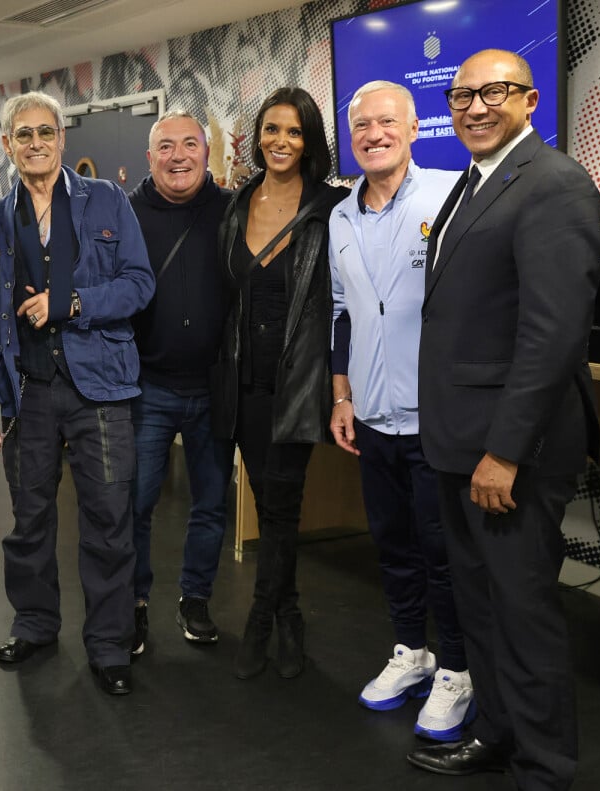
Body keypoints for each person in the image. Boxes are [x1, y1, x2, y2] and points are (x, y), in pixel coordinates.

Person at [407, 50, 600, 789]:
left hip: (510, 452)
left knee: (523, 615)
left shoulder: (554, 184)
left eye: (495, 92)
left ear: (530, 101)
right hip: (461, 443)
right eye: (462, 95)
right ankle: (497, 733)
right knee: (481, 607)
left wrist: (505, 452)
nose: (476, 106)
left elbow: (551, 337)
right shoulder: (474, 181)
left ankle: (546, 768)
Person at [0, 91, 155, 696]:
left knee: (107, 519)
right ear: (7, 145)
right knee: (29, 520)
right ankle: (35, 623)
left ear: (62, 139)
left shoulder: (106, 202)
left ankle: (108, 643)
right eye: (23, 135)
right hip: (27, 392)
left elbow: (138, 284)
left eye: (45, 132)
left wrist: (73, 304)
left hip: (100, 386)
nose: (36, 144)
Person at [327, 80, 472, 740]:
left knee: (444, 553)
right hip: (374, 416)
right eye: (362, 125)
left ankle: (458, 671)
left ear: (415, 128)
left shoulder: (450, 194)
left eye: (388, 122)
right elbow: (341, 313)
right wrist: (341, 394)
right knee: (394, 546)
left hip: (436, 419)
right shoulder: (341, 216)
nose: (374, 133)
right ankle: (412, 652)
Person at [212, 87, 348, 681]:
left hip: (299, 385)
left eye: (293, 132)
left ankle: (261, 621)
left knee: (285, 507)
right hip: (245, 385)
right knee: (269, 507)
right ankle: (290, 616)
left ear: (309, 140)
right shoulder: (237, 204)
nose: (280, 142)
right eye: (271, 129)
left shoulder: (332, 207)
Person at [126, 111, 233, 654]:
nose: (178, 156)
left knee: (211, 503)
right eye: (165, 147)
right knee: (136, 503)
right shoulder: (125, 215)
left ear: (206, 152)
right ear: (151, 158)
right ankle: (136, 604)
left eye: (190, 144)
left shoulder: (233, 209)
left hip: (215, 388)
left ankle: (196, 599)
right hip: (149, 387)